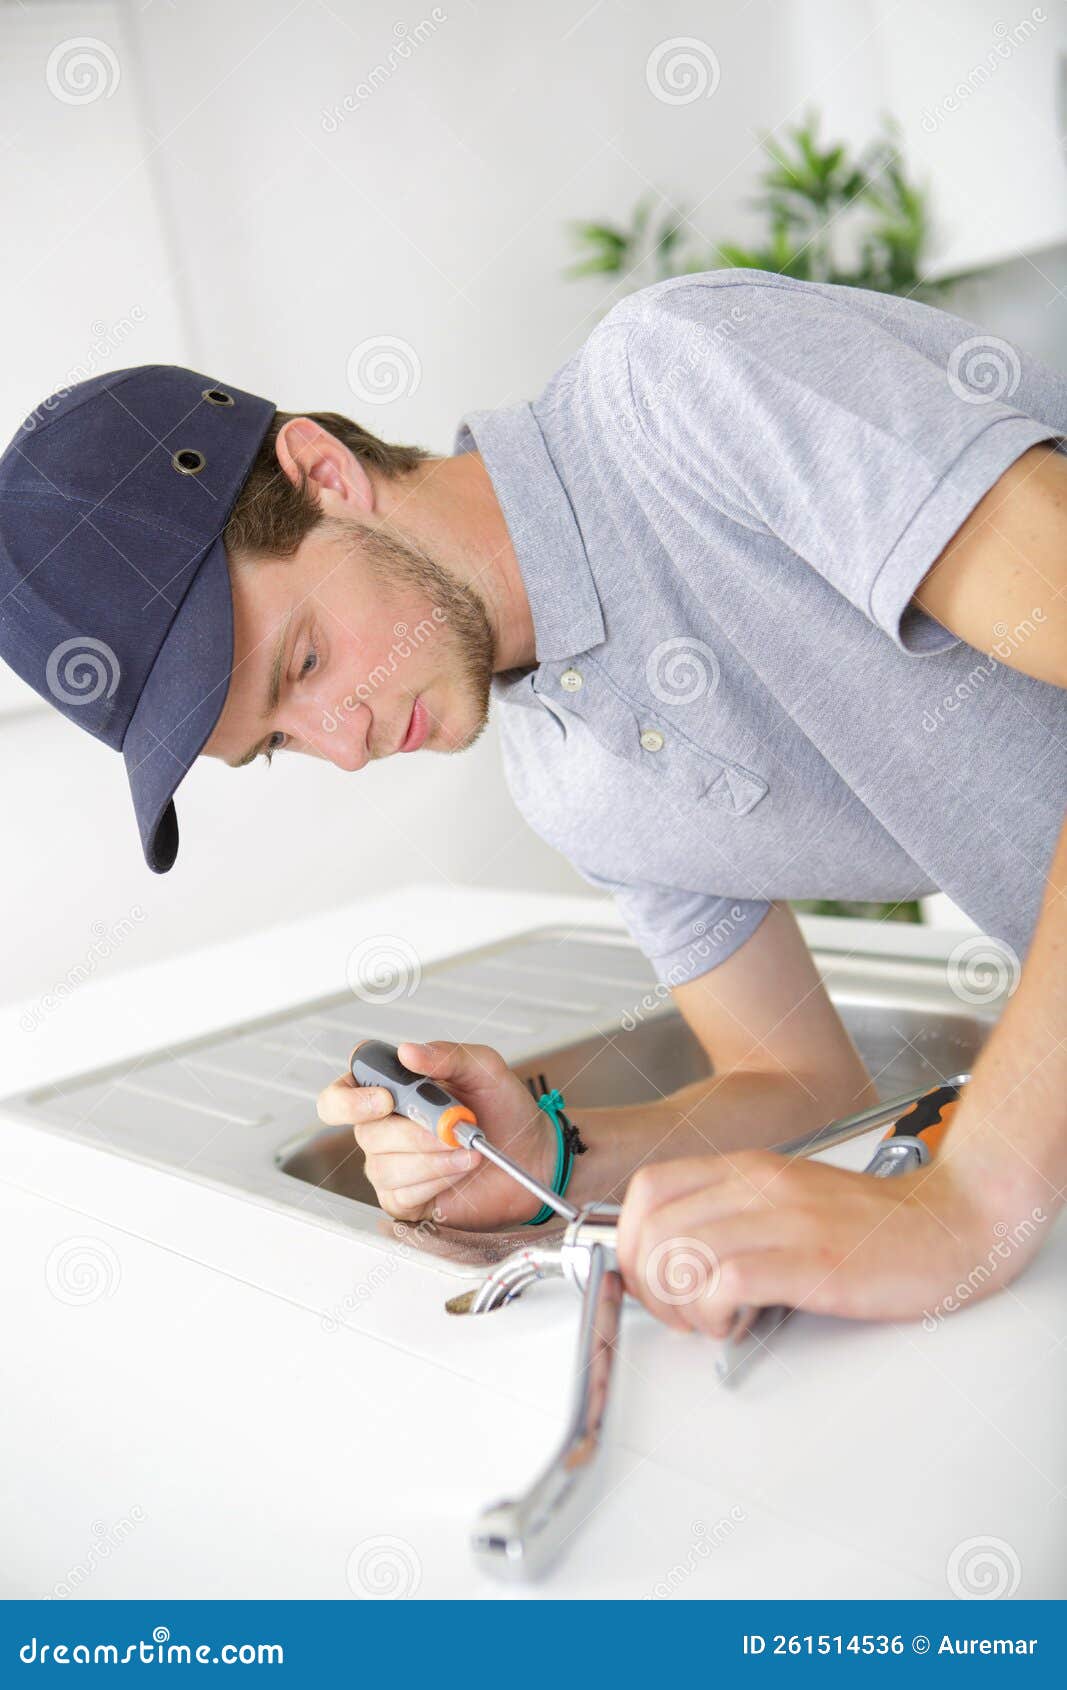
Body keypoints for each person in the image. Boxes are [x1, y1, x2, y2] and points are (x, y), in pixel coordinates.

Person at [2, 271, 1063, 1335]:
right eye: (279, 742)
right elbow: (800, 1081)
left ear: (325, 473)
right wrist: (544, 1155)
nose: (345, 744)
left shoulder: (678, 383)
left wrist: (971, 1199)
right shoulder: (565, 782)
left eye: (304, 663)